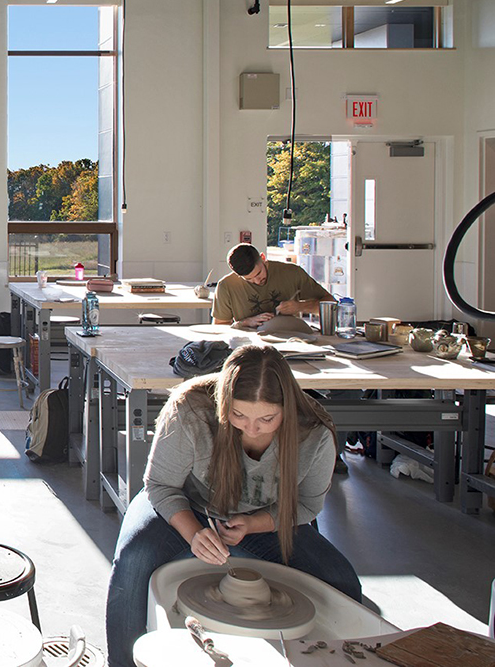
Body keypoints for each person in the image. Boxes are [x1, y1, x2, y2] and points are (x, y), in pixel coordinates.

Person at [104, 345, 361, 667]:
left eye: (267, 418)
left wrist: (254, 524)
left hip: (266, 517)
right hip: (185, 506)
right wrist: (194, 532)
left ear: (288, 408)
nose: (251, 429)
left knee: (339, 578)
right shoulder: (191, 409)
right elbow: (160, 485)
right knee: (133, 560)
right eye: (238, 415)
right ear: (224, 403)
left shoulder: (313, 431)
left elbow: (308, 504)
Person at [212, 243, 334, 329]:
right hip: (248, 347)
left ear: (263, 258)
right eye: (249, 279)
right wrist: (244, 323)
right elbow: (219, 329)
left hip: (291, 341)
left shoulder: (291, 273)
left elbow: (331, 305)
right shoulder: (226, 286)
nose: (257, 280)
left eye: (259, 273)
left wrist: (300, 306)